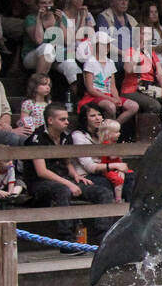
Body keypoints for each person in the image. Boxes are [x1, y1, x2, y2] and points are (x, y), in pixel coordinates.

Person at [22, 103, 114, 251]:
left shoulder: (66, 137)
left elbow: (67, 162)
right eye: (62, 119)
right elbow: (42, 171)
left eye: (67, 119)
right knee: (63, 190)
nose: (67, 122)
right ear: (50, 120)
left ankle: (103, 239)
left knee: (103, 192)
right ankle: (66, 241)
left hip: (64, 178)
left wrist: (76, 176)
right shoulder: (37, 139)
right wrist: (68, 183)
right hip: (40, 183)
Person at [95, 119, 130, 202]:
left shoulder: (113, 144)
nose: (119, 134)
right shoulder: (106, 144)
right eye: (116, 132)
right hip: (108, 169)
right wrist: (122, 150)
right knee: (119, 180)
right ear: (108, 134)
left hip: (116, 167)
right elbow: (112, 156)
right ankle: (118, 199)